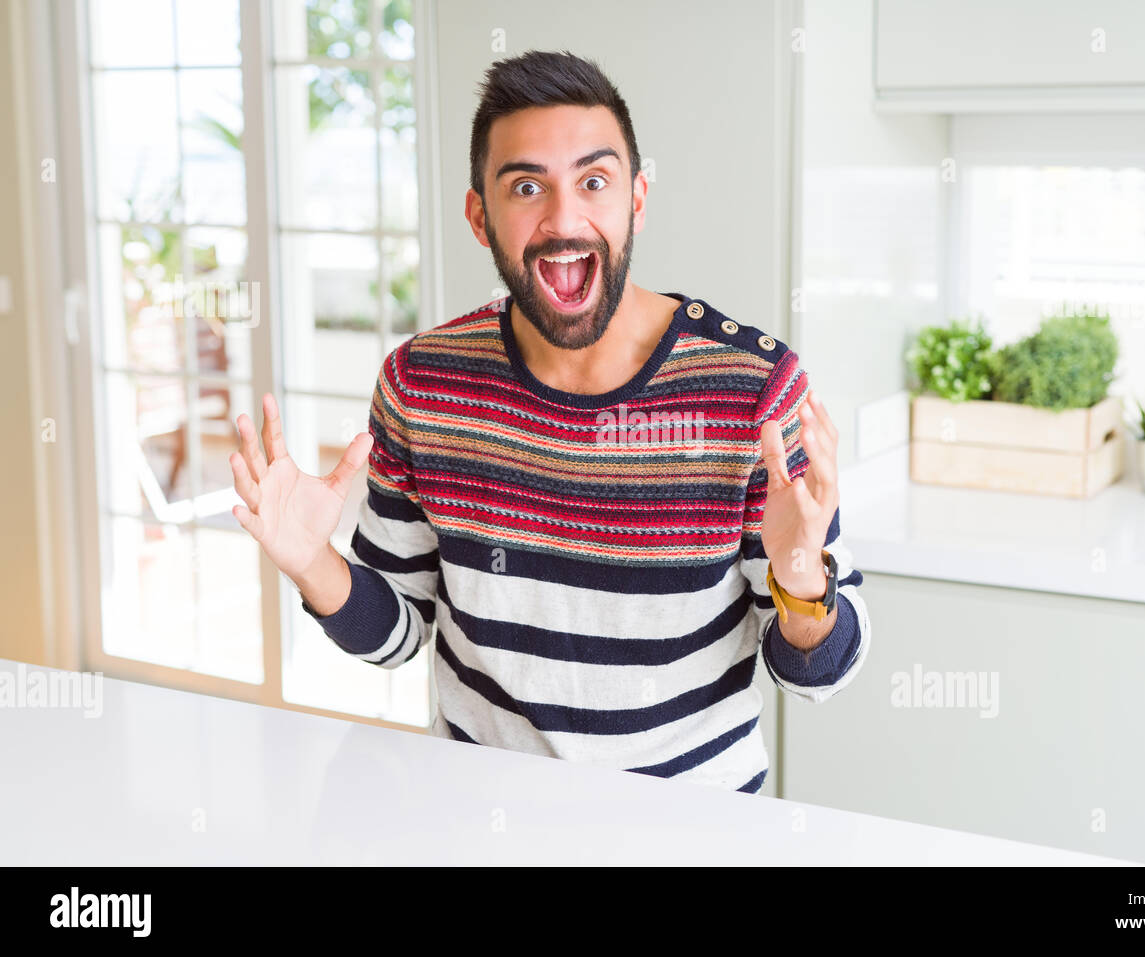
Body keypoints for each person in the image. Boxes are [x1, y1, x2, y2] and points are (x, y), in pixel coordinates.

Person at [229, 49, 869, 794]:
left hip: (689, 835)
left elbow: (825, 673)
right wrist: (315, 564)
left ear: (637, 198)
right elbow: (399, 636)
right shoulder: (423, 384)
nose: (565, 219)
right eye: (527, 186)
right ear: (479, 216)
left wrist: (800, 581)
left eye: (594, 181)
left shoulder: (752, 392)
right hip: (484, 822)